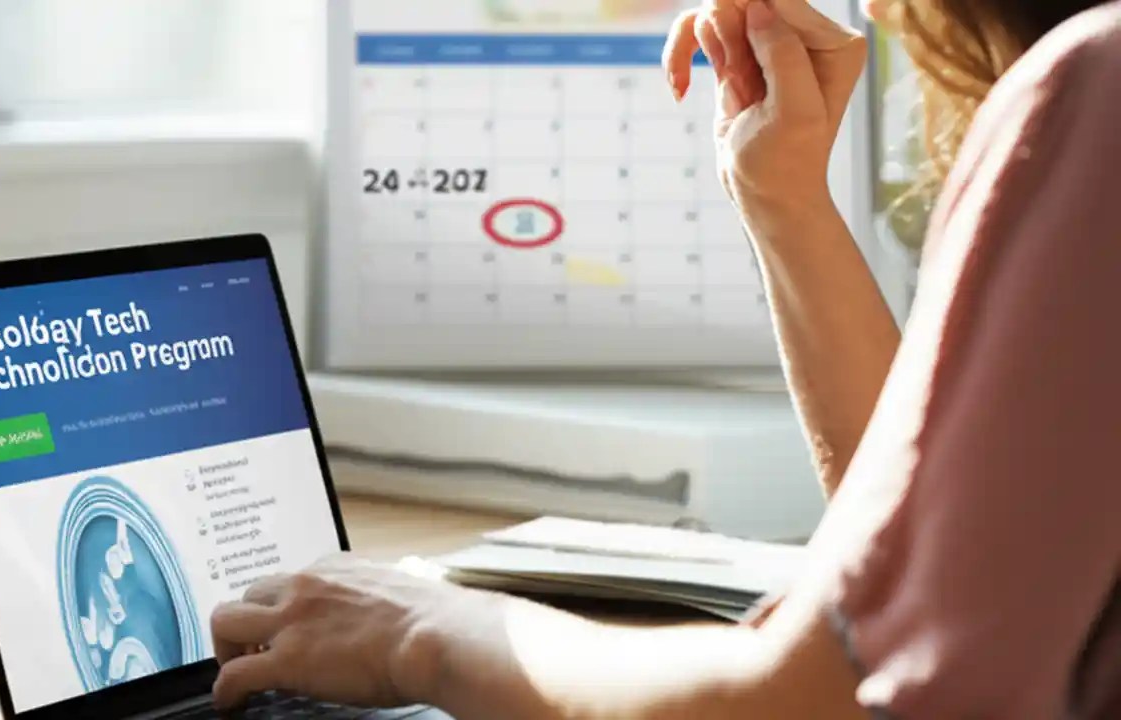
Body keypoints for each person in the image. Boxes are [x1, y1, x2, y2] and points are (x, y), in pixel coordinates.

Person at [209, 0, 1121, 716]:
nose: (883, 10)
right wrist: (784, 199)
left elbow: (815, 700)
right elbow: (930, 559)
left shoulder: (1099, 77)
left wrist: (422, 628)